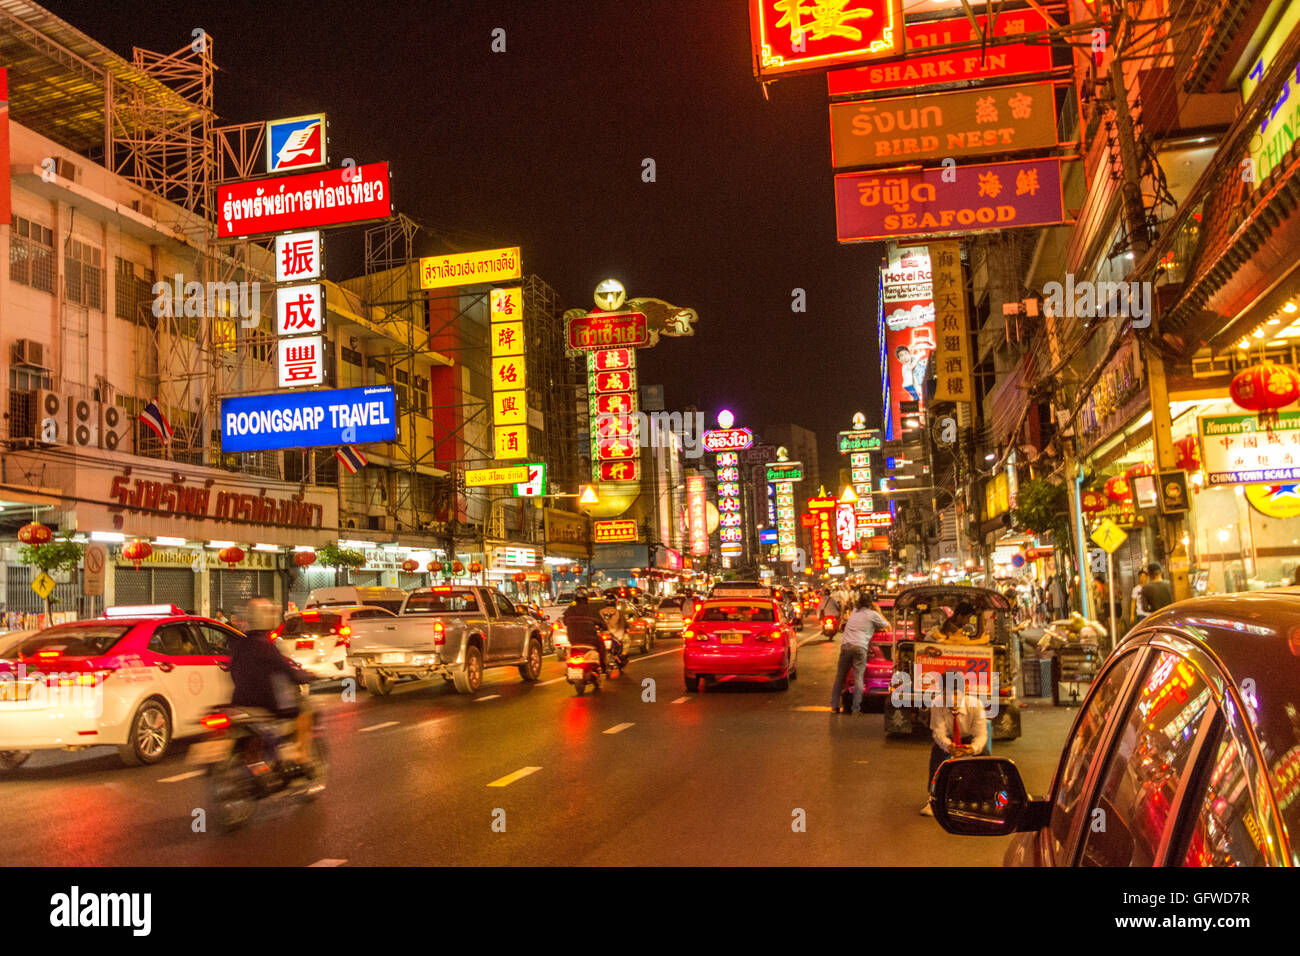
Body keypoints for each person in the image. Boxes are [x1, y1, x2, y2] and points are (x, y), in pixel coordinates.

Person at [228, 598, 315, 765]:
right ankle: (302, 755)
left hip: (240, 700)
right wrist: (306, 676)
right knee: (305, 710)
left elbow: (233, 671)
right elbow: (287, 671)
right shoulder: (267, 646)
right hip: (267, 702)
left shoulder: (240, 644)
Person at [921, 673, 988, 816]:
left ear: (964, 694)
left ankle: (985, 798)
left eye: (957, 694)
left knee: (987, 762)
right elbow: (938, 733)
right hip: (949, 739)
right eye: (948, 694)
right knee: (936, 761)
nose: (953, 699)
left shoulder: (976, 705)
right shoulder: (937, 704)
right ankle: (933, 799)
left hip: (968, 739)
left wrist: (972, 749)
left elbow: (981, 734)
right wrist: (948, 746)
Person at [832, 593, 890, 714]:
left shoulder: (854, 612)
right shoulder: (873, 614)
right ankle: (856, 709)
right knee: (858, 678)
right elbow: (888, 627)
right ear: (870, 603)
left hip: (846, 646)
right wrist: (878, 614)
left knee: (840, 677)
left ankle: (834, 706)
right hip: (860, 647)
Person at [562, 588, 609, 675]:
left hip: (573, 640)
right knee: (601, 646)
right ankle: (603, 668)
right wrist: (604, 627)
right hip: (590, 640)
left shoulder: (570, 609)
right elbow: (601, 623)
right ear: (586, 598)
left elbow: (564, 621)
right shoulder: (591, 609)